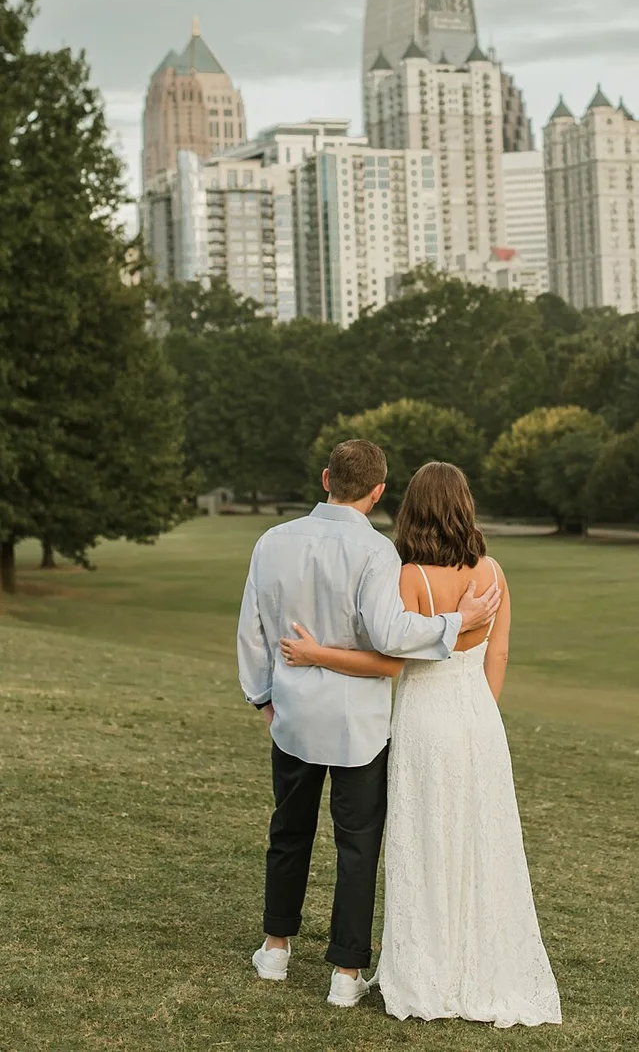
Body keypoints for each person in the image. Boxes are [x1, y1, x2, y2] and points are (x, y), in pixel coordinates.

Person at [281, 461, 561, 1027]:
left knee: (425, 844)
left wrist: (315, 655)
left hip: (425, 721)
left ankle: (426, 973)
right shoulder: (494, 572)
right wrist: (477, 709)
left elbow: (389, 659)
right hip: (479, 721)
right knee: (479, 845)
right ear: (465, 507)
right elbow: (499, 652)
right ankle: (480, 970)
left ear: (412, 510)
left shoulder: (409, 576)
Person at [236, 439, 501, 1008]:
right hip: (359, 724)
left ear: (325, 477)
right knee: (357, 846)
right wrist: (457, 621)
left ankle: (276, 949)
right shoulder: (378, 552)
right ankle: (346, 973)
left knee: (288, 831)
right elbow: (390, 636)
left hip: (293, 716)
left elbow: (251, 628)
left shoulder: (272, 541)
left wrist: (263, 700)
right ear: (378, 492)